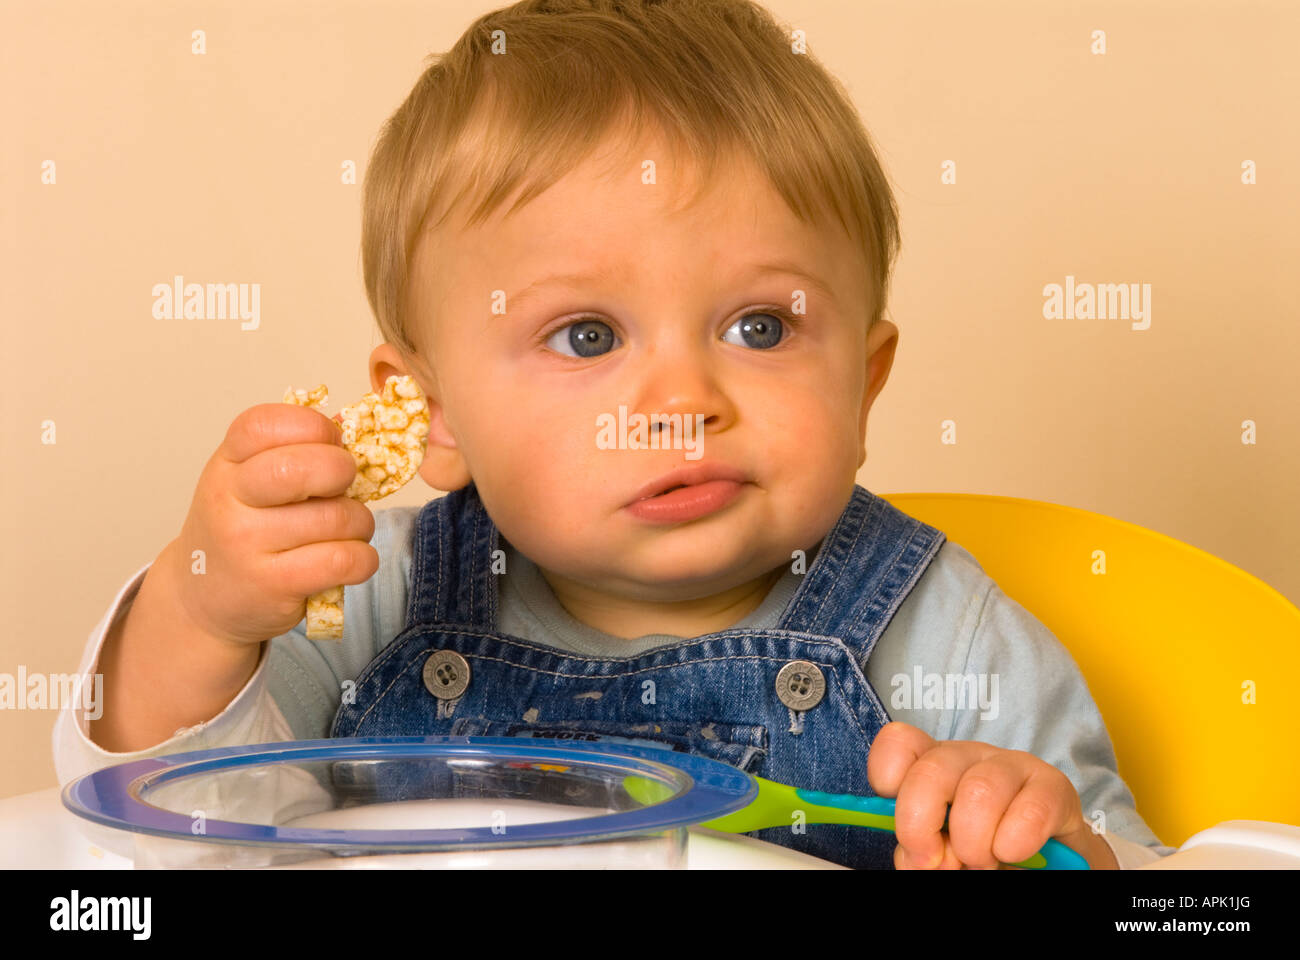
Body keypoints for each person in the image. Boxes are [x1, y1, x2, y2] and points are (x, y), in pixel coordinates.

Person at [55, 0, 1174, 869]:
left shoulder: (946, 639)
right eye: (586, 335)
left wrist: (1034, 835)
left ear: (866, 385)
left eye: (760, 324)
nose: (680, 399)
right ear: (431, 413)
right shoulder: (367, 599)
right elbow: (161, 828)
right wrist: (198, 613)